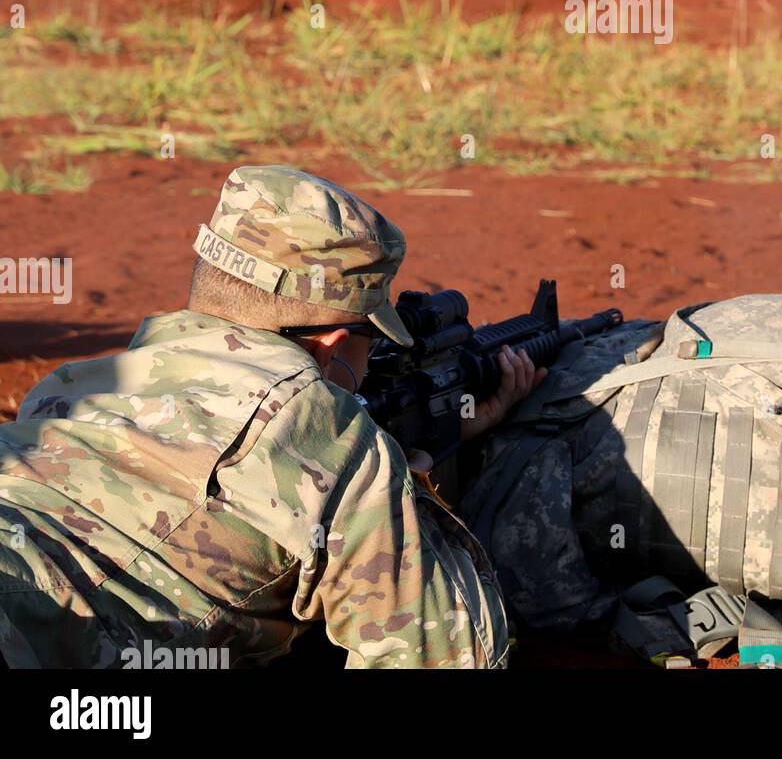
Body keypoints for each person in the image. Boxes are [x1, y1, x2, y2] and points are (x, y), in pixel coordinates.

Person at [0, 165, 541, 669]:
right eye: (371, 343)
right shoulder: (322, 426)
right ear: (331, 343)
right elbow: (440, 654)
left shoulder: (64, 389)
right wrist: (407, 487)